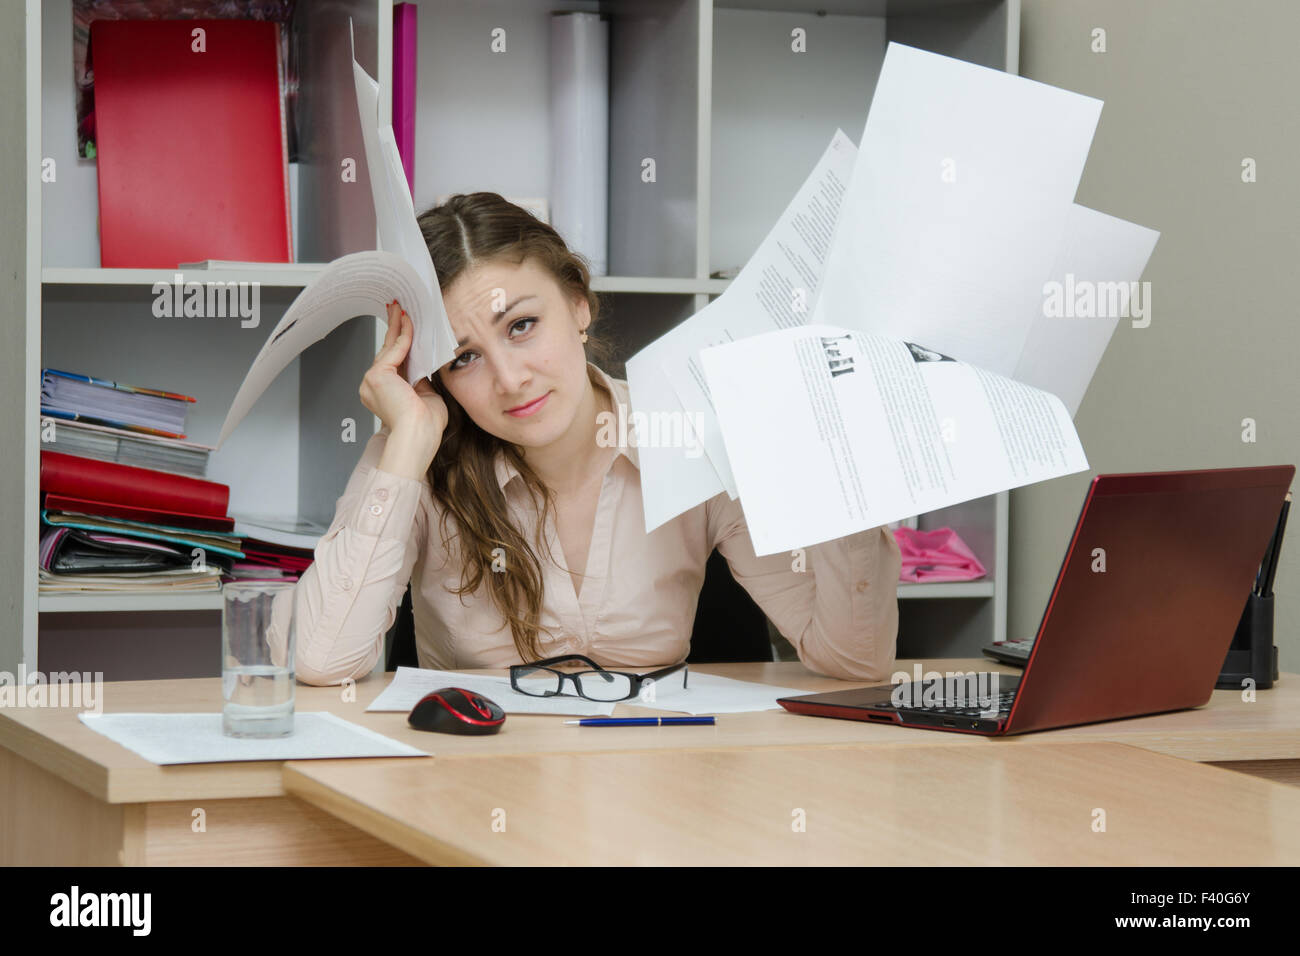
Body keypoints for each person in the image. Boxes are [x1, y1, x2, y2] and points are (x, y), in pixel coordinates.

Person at [283, 192, 901, 686]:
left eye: (522, 325)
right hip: (475, 804)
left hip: (656, 812)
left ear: (579, 305)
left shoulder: (686, 436)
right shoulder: (417, 456)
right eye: (464, 358)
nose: (509, 378)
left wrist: (842, 474)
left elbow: (853, 663)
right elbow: (320, 661)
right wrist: (406, 450)